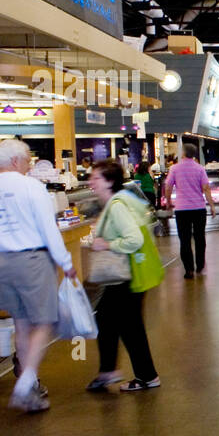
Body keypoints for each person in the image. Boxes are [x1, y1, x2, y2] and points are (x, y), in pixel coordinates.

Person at [0, 139, 77, 413]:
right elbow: (48, 228)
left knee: (22, 324)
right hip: (33, 259)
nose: (30, 163)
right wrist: (65, 262)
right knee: (46, 320)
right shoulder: (31, 187)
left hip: (1, 262)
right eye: (28, 159)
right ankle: (25, 381)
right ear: (16, 161)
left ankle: (30, 389)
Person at [85, 160, 160, 393]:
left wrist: (106, 244)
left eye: (96, 178)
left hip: (124, 274)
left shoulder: (117, 206)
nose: (91, 182)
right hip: (130, 273)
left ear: (109, 181)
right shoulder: (124, 200)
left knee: (122, 324)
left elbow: (134, 239)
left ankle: (142, 375)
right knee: (115, 322)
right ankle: (114, 371)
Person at [162, 143, 215, 279]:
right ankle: (200, 265)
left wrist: (168, 201)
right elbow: (206, 188)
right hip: (199, 208)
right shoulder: (200, 169)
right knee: (199, 238)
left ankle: (189, 270)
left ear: (183, 153)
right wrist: (212, 206)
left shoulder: (174, 168)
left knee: (184, 240)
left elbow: (168, 187)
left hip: (182, 209)